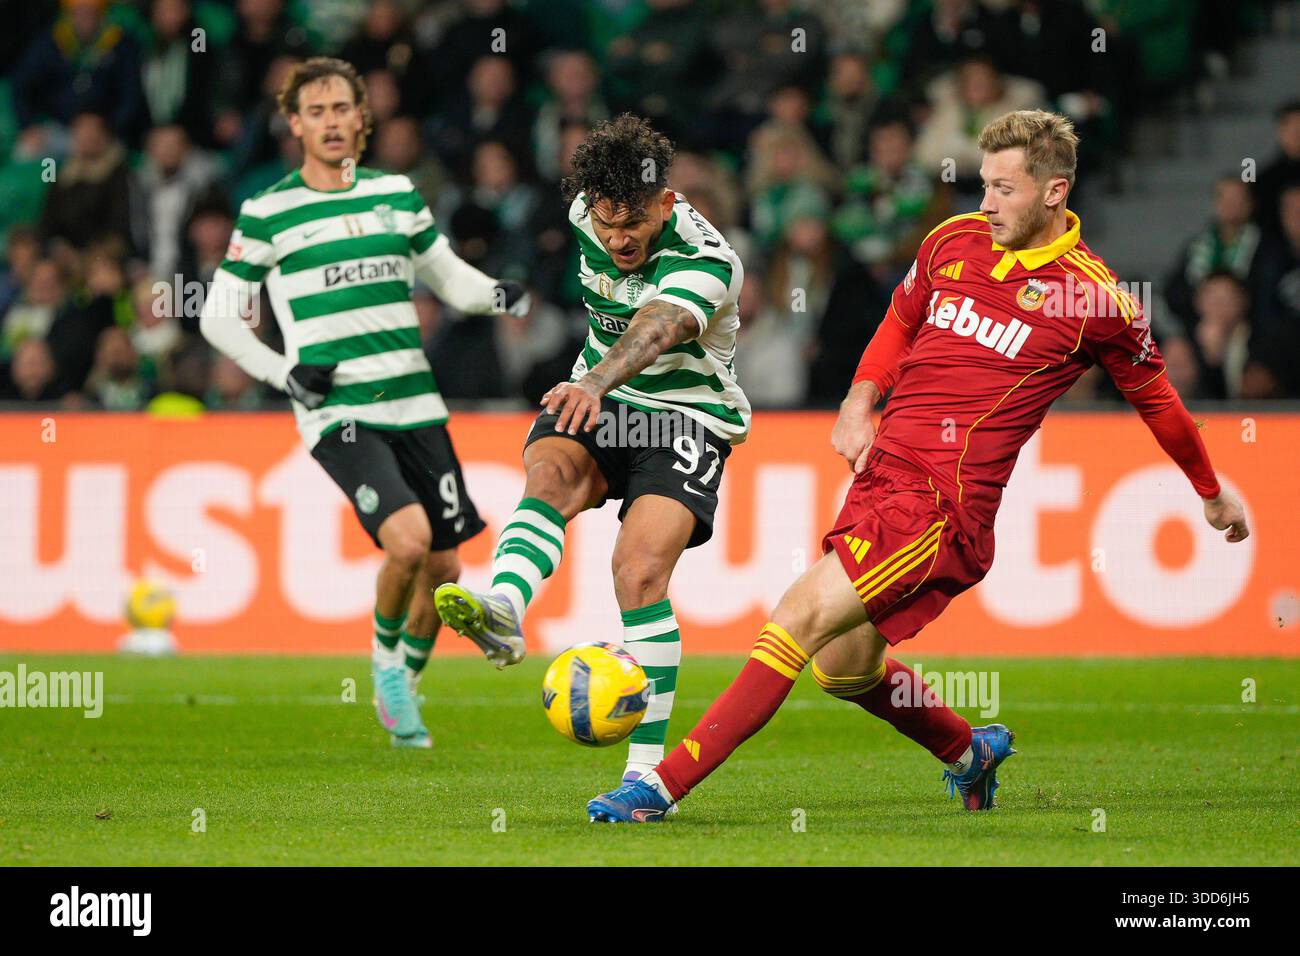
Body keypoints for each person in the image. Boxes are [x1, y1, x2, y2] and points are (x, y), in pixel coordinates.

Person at [586, 109, 1250, 822]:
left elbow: (1160, 403)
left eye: (1005, 189)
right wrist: (859, 398)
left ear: (1056, 193)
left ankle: (657, 789)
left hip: (941, 504)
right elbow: (902, 319)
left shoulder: (1095, 300)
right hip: (881, 479)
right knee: (844, 667)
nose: (986, 203)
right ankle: (970, 751)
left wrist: (1210, 492)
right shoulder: (952, 242)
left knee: (795, 617)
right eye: (985, 185)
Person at [199, 57, 529, 748]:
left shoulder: (398, 195)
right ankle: (385, 671)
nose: (329, 122)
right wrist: (284, 372)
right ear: (295, 124)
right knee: (406, 541)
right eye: (314, 111)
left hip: (416, 399)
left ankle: (406, 681)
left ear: (362, 119)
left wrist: (506, 291)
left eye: (341, 109)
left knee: (444, 569)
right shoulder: (269, 210)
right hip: (339, 410)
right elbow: (219, 315)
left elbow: (452, 282)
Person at [433, 114, 751, 787]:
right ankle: (505, 609)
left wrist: (595, 380)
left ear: (667, 203)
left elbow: (658, 326)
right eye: (606, 223)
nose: (617, 238)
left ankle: (643, 777)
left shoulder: (708, 259)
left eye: (632, 223)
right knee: (547, 471)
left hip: (685, 417)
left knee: (637, 574)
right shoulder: (585, 211)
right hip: (602, 399)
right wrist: (593, 386)